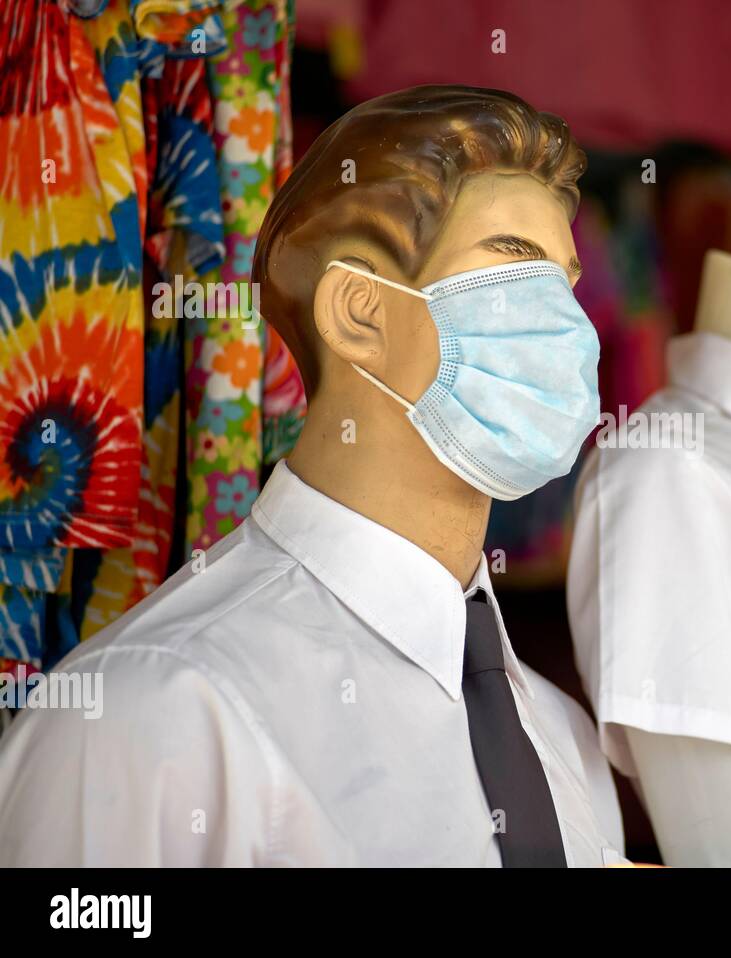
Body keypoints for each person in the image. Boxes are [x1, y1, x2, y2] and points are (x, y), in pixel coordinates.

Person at [0, 84, 624, 867]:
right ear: (360, 313)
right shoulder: (148, 722)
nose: (568, 322)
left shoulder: (564, 743)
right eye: (516, 261)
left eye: (566, 281)